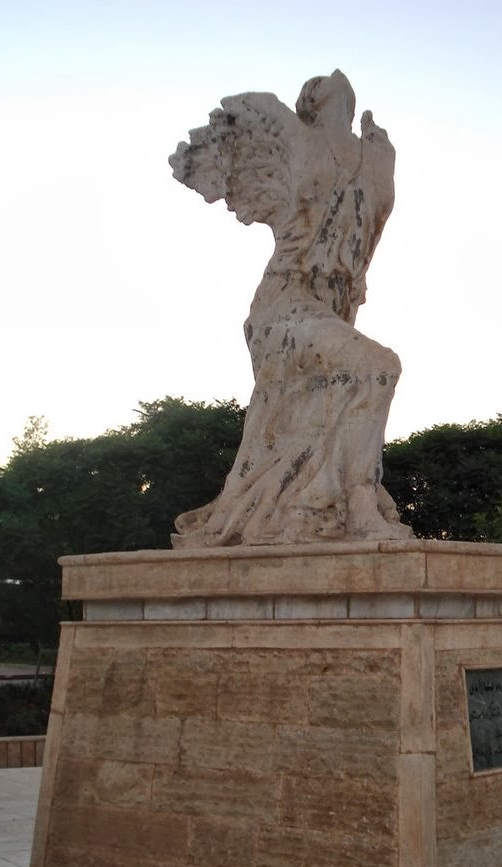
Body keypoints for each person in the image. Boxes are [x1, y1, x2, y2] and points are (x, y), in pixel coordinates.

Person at [170, 70, 412, 546]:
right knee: (377, 367)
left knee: (353, 382)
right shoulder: (293, 136)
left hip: (332, 307)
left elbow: (368, 242)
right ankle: (355, 502)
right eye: (316, 84)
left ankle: (324, 501)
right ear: (310, 103)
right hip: (284, 303)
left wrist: (380, 159)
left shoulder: (377, 157)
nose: (329, 81)